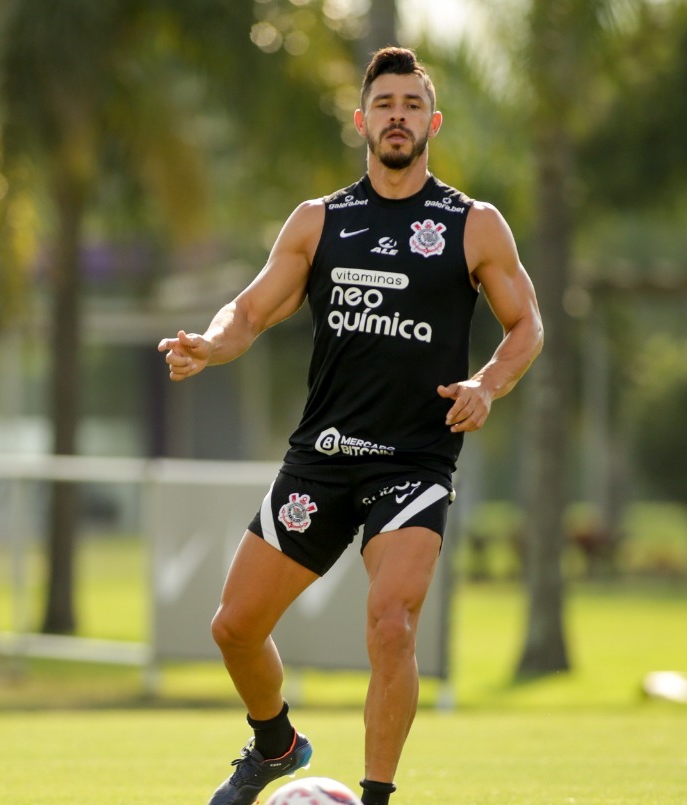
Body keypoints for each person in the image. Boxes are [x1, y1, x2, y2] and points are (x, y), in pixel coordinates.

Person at [158, 46, 543, 805]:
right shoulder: (320, 222)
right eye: (383, 104)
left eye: (410, 105)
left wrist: (486, 383)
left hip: (413, 464)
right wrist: (210, 343)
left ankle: (374, 797)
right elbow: (250, 309)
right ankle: (276, 744)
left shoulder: (472, 224)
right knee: (233, 627)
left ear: (430, 122)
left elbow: (526, 324)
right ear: (361, 121)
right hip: (322, 459)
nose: (395, 116)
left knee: (391, 621)